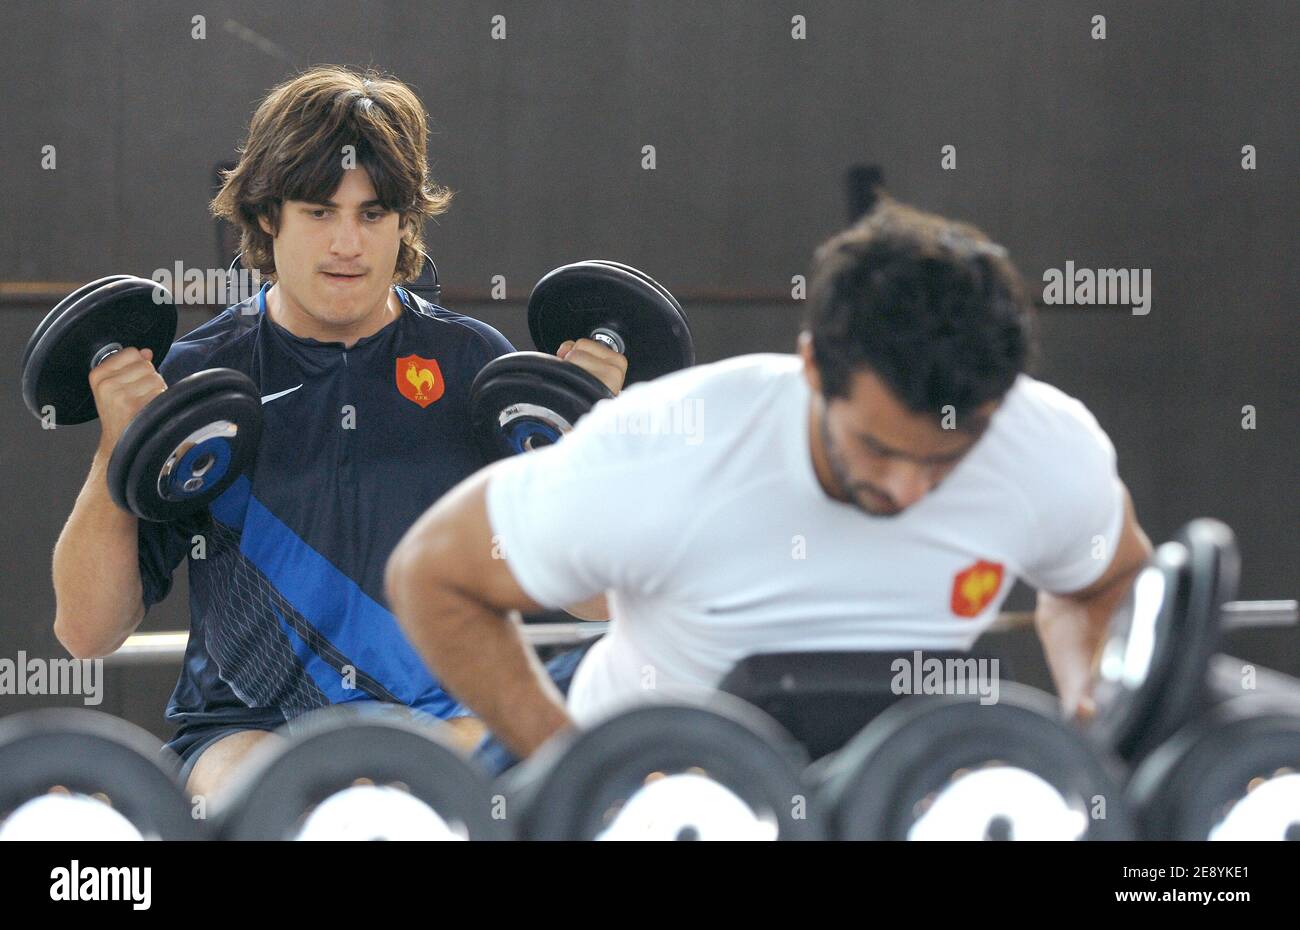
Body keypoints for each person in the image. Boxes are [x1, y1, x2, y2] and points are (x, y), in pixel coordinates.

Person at [385, 194, 1153, 770]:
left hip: (865, 791)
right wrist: (578, 765)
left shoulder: (1041, 443)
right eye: (881, 449)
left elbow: (1106, 576)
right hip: (652, 782)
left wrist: (1094, 694)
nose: (912, 490)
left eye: (947, 460)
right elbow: (433, 575)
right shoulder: (673, 444)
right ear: (814, 368)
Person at [49, 66, 626, 798]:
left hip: (441, 723)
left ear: (404, 222)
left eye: (374, 213)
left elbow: (597, 602)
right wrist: (115, 450)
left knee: (523, 773)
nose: (348, 244)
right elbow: (85, 634)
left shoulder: (477, 366)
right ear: (267, 216)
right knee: (273, 793)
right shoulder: (195, 380)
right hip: (248, 730)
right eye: (321, 212)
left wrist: (587, 446)